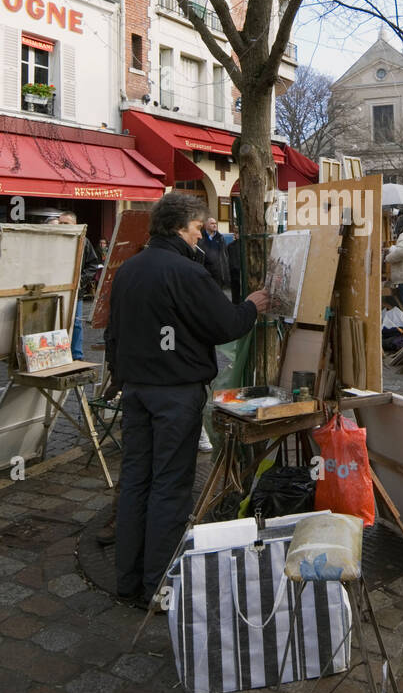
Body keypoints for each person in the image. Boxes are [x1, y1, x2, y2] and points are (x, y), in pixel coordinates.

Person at [105, 191, 270, 606]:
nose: (201, 236)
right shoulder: (186, 272)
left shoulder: (129, 269)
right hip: (174, 392)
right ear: (181, 226)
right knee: (169, 485)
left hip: (137, 389)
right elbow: (225, 324)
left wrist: (119, 376)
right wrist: (251, 306)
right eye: (198, 228)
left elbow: (113, 332)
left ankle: (128, 581)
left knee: (136, 481)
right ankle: (158, 584)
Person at [51, 213, 98, 359]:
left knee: (76, 324)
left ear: (75, 224)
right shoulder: (54, 241)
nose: (62, 226)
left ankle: (77, 354)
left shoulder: (84, 241)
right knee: (56, 322)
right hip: (56, 289)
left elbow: (92, 265)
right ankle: (59, 354)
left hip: (76, 291)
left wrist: (79, 282)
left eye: (66, 223)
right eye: (61, 223)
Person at [197, 215, 229, 289]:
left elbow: (225, 255)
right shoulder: (201, 237)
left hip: (218, 273)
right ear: (206, 225)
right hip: (205, 271)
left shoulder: (220, 238)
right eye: (212, 223)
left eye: (215, 223)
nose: (215, 225)